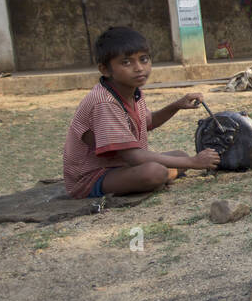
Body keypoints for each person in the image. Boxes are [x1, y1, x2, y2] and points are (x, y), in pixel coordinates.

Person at [63, 26, 220, 198]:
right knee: (155, 172)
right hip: (91, 177)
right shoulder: (104, 102)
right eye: (126, 62)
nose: (139, 68)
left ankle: (167, 174)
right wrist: (193, 162)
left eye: (144, 59)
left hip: (122, 166)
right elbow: (133, 156)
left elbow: (149, 121)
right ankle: (166, 176)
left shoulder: (132, 91)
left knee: (179, 155)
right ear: (105, 70)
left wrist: (176, 105)